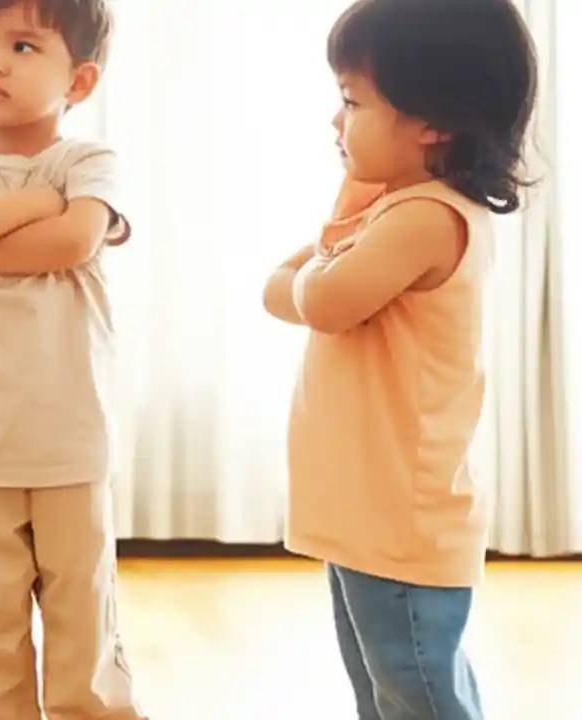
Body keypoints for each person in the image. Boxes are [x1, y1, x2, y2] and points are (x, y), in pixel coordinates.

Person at [262, 1, 538, 717]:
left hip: (399, 524)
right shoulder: (395, 211)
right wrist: (324, 255)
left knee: (416, 689)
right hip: (367, 516)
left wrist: (324, 252)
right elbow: (283, 289)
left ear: (434, 120)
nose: (335, 122)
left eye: (352, 101)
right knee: (385, 689)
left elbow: (318, 299)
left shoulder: (425, 218)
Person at [0, 1, 144, 718]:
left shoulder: (86, 161)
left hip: (69, 441)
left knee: (84, 627)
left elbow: (72, 244)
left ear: (79, 81)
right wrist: (40, 204)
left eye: (22, 45)